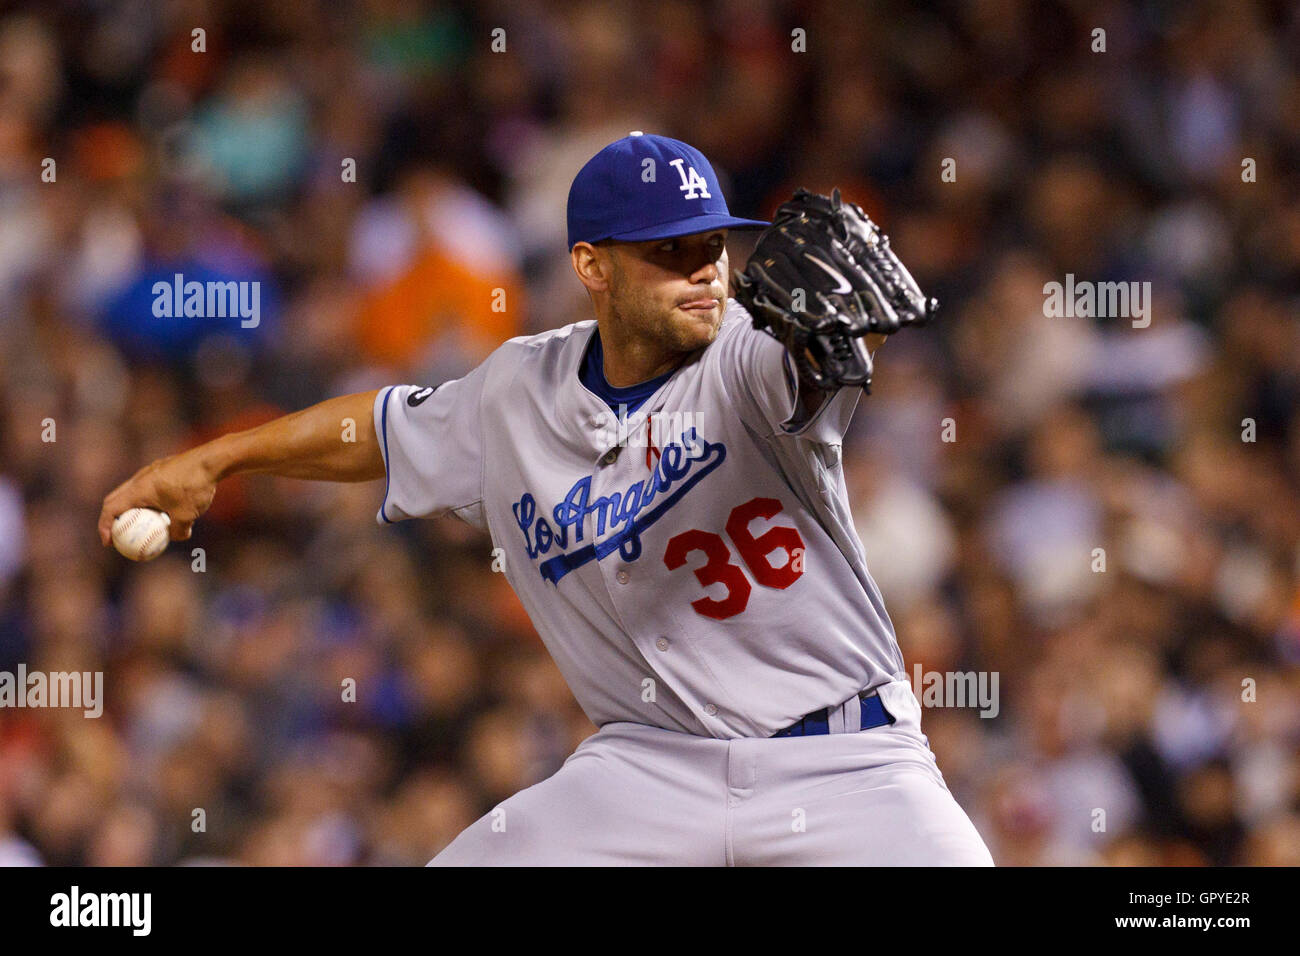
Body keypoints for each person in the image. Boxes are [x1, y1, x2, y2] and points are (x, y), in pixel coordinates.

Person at [100, 133, 994, 866]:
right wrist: (217, 461)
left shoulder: (749, 357)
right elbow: (375, 429)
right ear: (591, 266)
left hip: (844, 761)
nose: (706, 273)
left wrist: (837, 331)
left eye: (712, 246)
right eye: (669, 251)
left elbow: (810, 360)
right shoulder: (516, 392)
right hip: (649, 770)